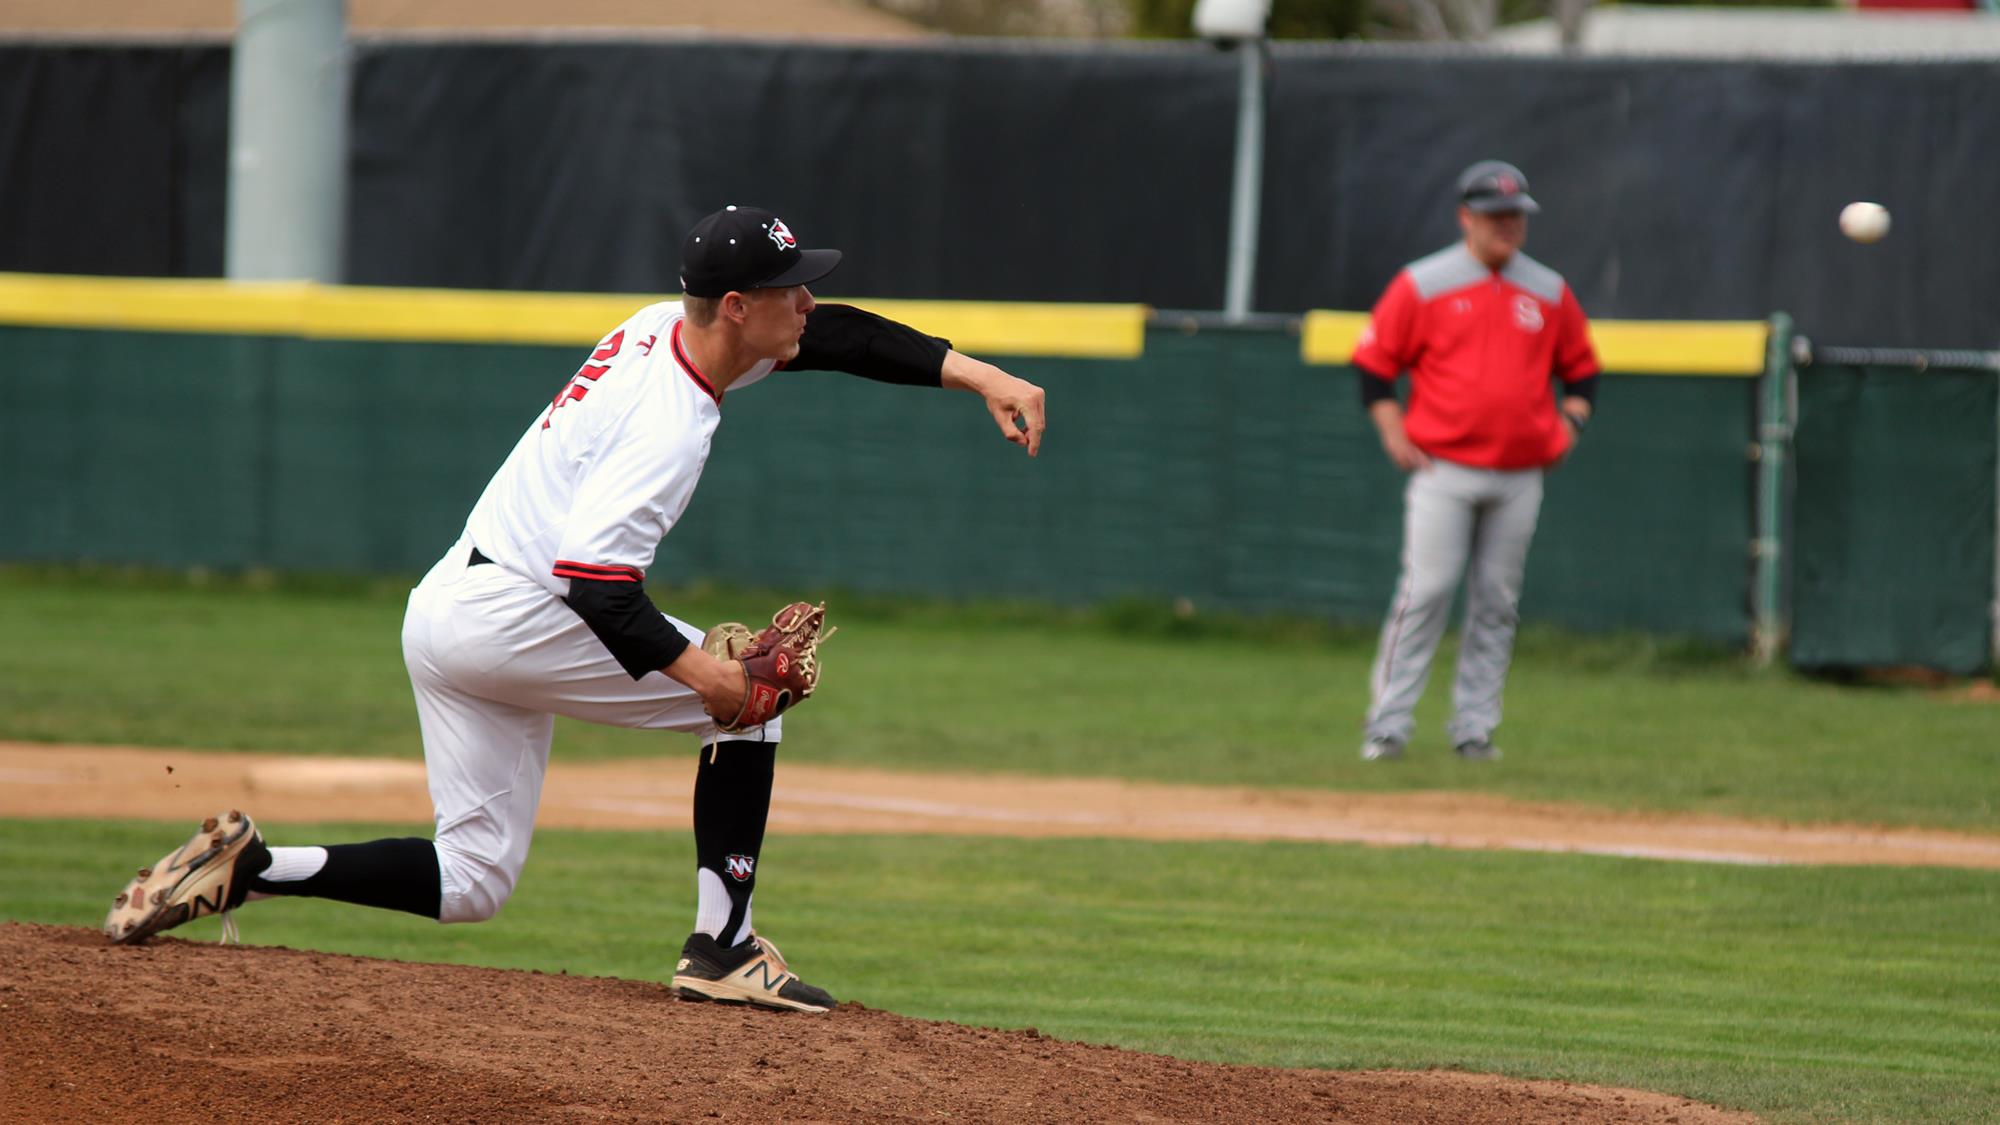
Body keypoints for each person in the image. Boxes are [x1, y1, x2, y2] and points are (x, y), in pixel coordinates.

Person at [104, 205, 1049, 1013]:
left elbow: (838, 333)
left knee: (472, 880)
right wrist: (709, 677)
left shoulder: (661, 328)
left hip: (444, 611)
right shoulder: (671, 426)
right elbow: (596, 584)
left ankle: (252, 867)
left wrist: (981, 375)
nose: (804, 301)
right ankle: (724, 947)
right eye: (787, 288)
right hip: (517, 613)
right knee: (750, 706)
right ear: (735, 307)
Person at [1351, 161, 1599, 763]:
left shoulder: (1547, 289)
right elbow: (1374, 364)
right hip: (1445, 468)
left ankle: (1474, 729)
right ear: (1467, 217)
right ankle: (1387, 725)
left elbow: (1584, 370)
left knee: (1496, 602)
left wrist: (1569, 425)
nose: (1507, 225)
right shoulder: (1424, 283)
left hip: (1519, 472)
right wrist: (1390, 428)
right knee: (1427, 591)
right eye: (1495, 214)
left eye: (1516, 215)